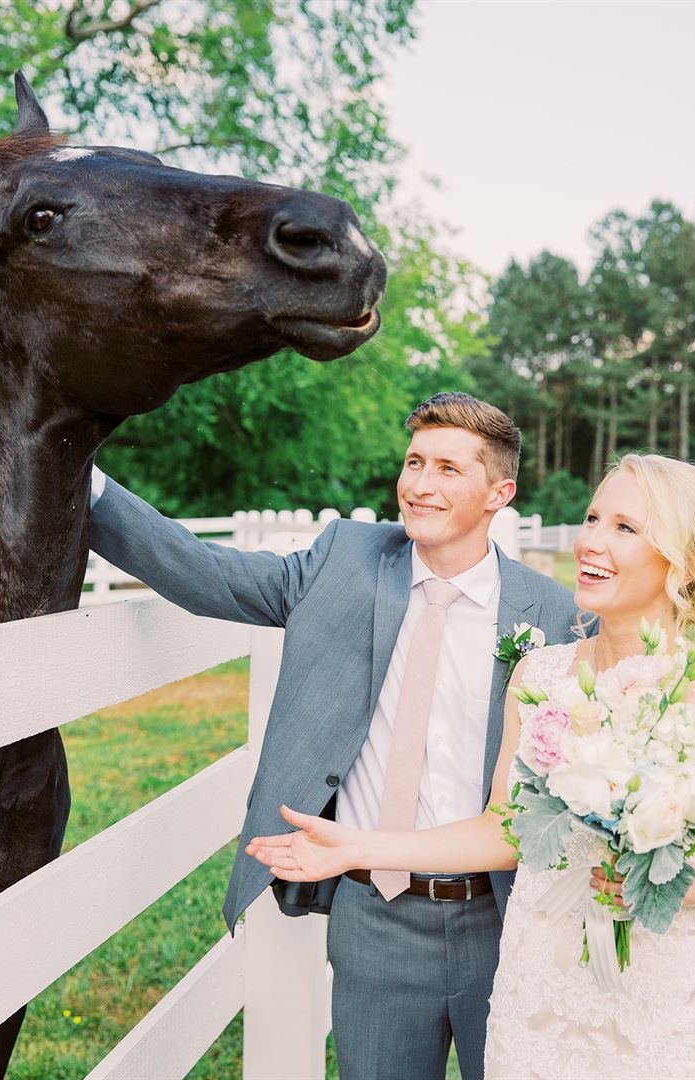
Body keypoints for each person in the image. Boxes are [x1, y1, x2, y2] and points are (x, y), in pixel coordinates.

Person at [88, 391, 580, 1080]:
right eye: (414, 462)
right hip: (374, 916)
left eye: (446, 468)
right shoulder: (344, 562)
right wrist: (85, 484)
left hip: (506, 917)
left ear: (499, 492)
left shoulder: (552, 612)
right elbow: (212, 576)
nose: (419, 484)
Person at [246, 453, 695, 1080]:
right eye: (592, 517)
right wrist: (354, 847)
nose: (591, 542)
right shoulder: (542, 675)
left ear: (681, 562)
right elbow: (506, 828)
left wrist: (657, 880)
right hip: (539, 995)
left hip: (664, 1000)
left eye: (625, 529)